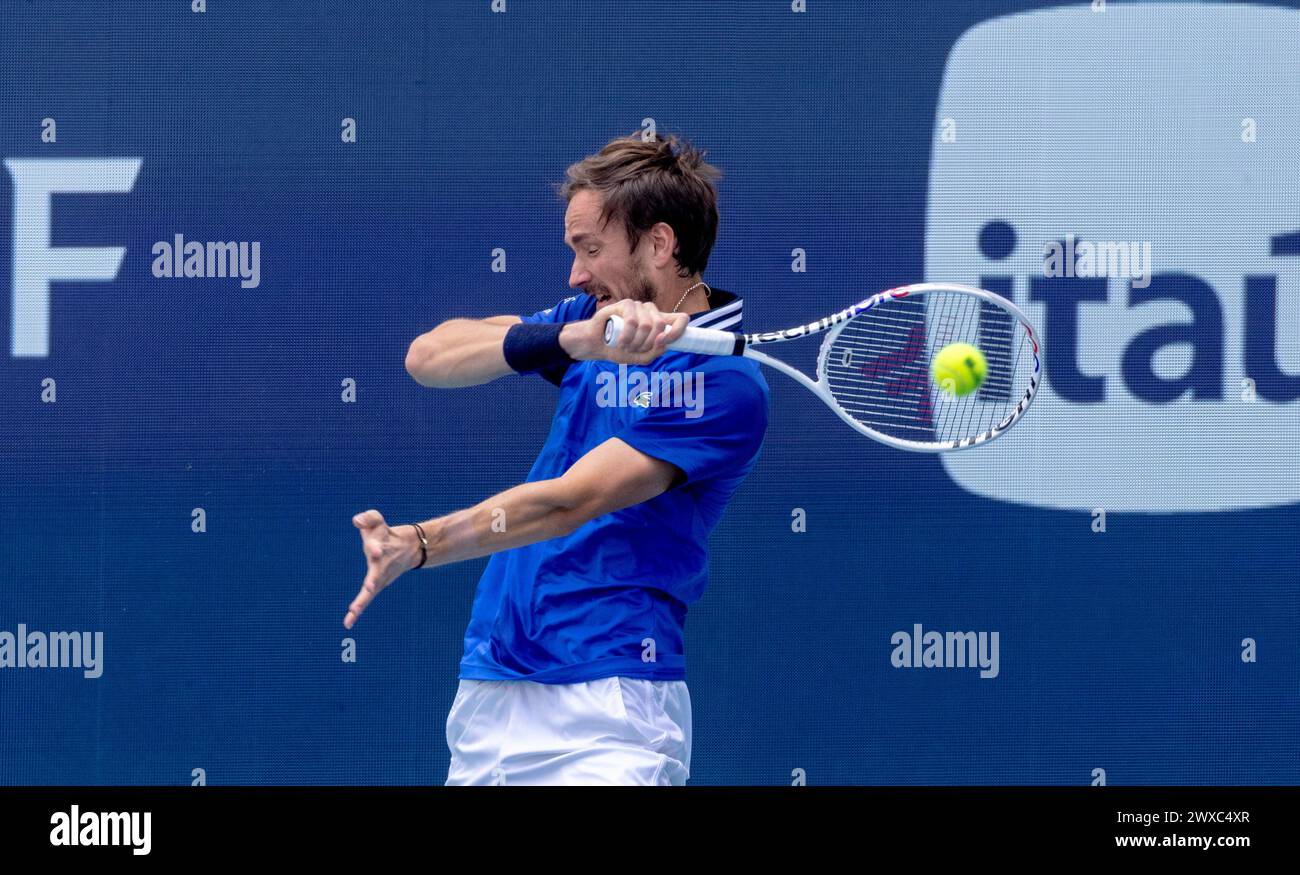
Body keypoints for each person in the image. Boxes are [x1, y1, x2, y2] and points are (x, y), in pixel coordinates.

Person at [343, 132, 769, 785]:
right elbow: (427, 357)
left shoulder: (726, 386)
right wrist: (573, 340)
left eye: (590, 249)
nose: (576, 274)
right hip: (493, 683)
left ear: (659, 244)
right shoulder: (591, 318)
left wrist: (420, 542)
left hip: (613, 703)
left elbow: (570, 501)